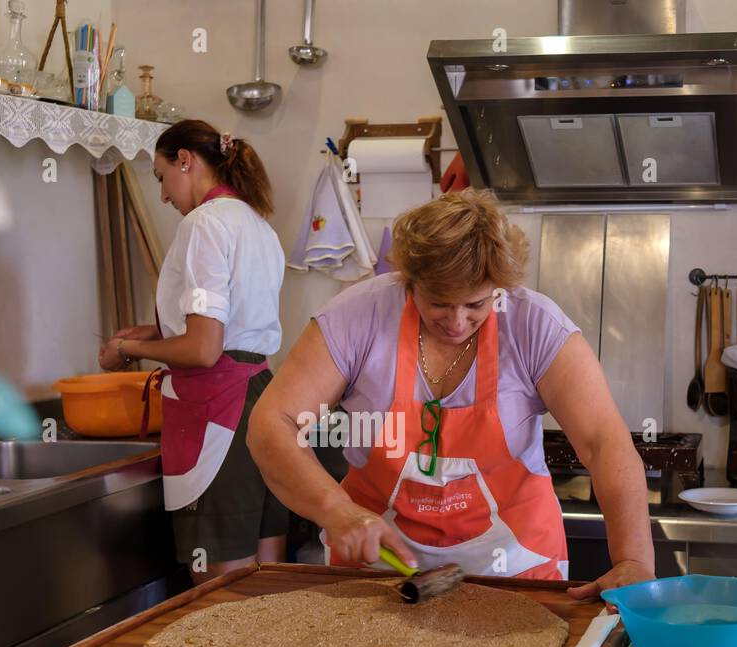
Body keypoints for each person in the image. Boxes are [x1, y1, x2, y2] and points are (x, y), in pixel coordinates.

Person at [247, 189, 654, 599]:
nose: (457, 321)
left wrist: (633, 560)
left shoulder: (536, 325)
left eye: (476, 303)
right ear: (409, 282)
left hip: (514, 570)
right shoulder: (359, 316)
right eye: (439, 303)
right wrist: (336, 511)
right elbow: (272, 424)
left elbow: (604, 444)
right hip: (378, 570)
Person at [99, 119, 288, 583]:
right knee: (268, 580)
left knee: (220, 593)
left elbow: (205, 348)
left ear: (186, 160)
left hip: (218, 411)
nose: (163, 196)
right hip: (266, 401)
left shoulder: (204, 224)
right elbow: (234, 326)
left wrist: (128, 349)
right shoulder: (257, 224)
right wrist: (153, 330)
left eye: (162, 177)